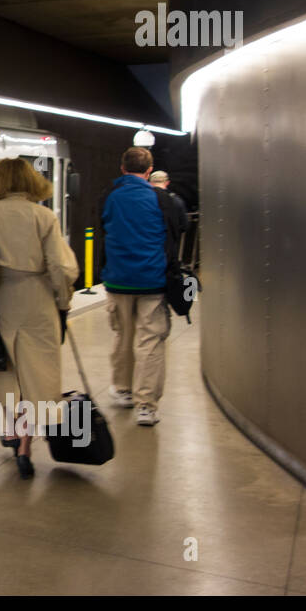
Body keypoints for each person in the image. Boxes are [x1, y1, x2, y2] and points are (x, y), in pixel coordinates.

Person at [0, 159, 77, 479]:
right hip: (38, 305)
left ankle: (9, 429)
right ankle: (25, 448)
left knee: (3, 373)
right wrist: (63, 302)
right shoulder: (44, 215)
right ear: (30, 181)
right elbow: (61, 269)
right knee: (34, 380)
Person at [101, 148, 184, 426]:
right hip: (152, 281)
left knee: (123, 335)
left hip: (117, 280)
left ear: (122, 168)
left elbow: (103, 230)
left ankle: (122, 389)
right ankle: (145, 406)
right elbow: (174, 236)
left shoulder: (109, 197)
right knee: (150, 341)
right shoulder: (161, 199)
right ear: (148, 171)